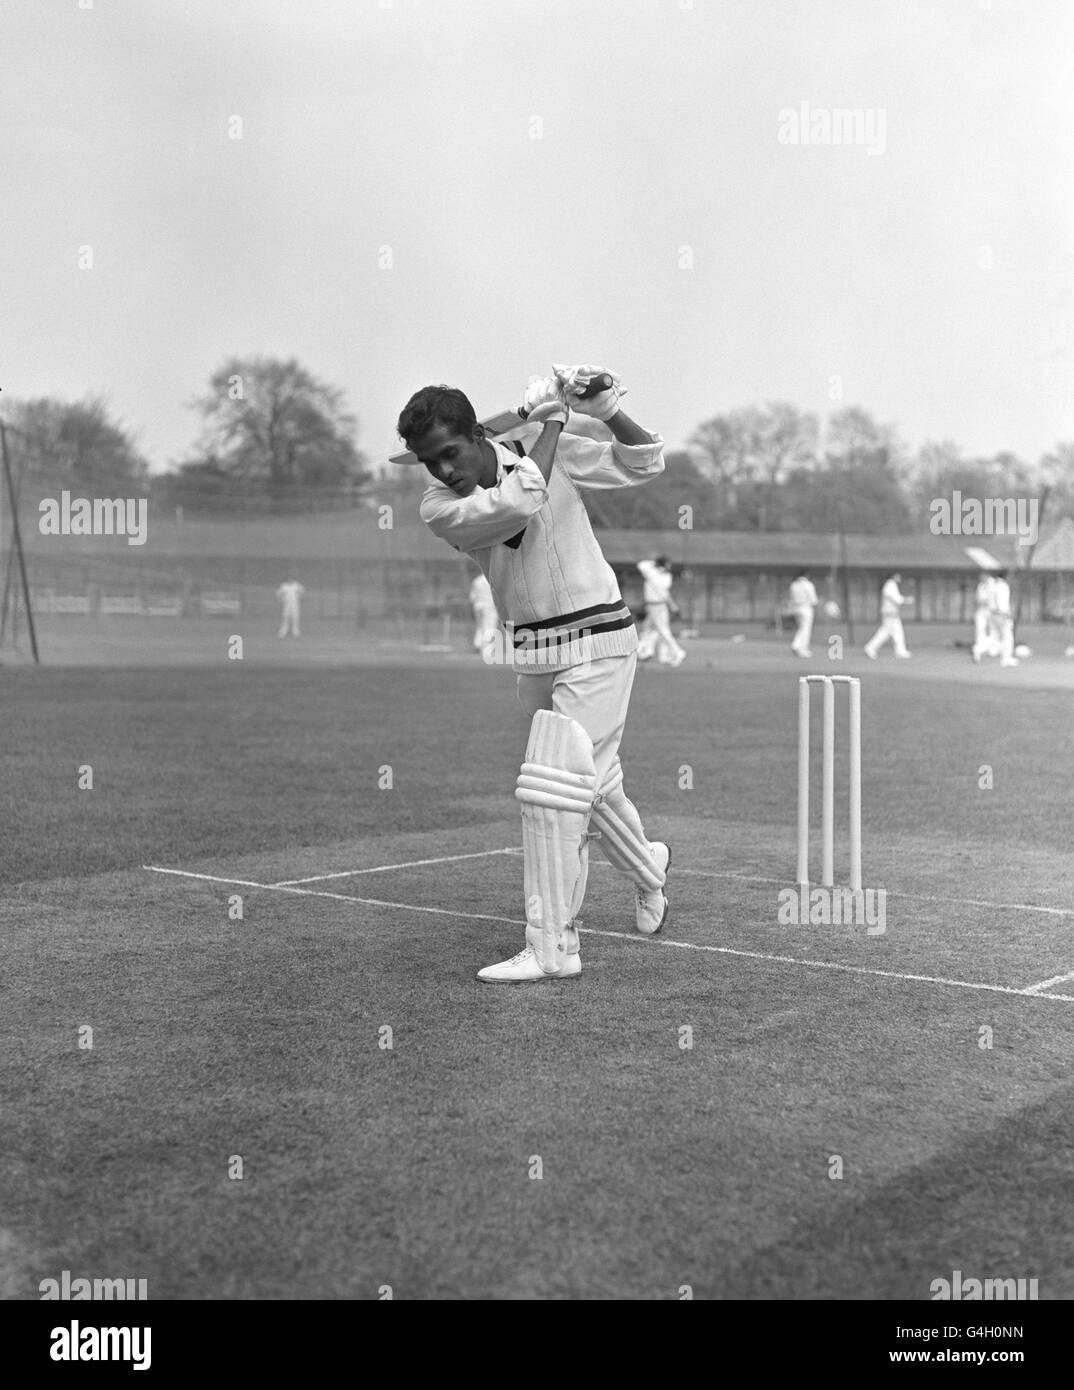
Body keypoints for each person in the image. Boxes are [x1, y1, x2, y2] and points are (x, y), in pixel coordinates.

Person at [394, 365, 671, 983]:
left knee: (552, 789)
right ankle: (650, 868)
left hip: (599, 639)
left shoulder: (547, 447)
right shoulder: (441, 507)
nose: (442, 471)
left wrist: (606, 410)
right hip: (536, 654)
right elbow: (521, 501)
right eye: (429, 461)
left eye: (449, 453)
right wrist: (548, 421)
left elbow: (645, 463)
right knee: (592, 786)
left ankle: (553, 947)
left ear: (475, 436)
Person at [636, 555, 685, 665]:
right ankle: (649, 651)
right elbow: (641, 565)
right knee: (649, 628)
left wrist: (653, 565)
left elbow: (642, 565)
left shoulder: (657, 574)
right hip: (654, 606)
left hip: (657, 606)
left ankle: (677, 651)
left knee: (662, 630)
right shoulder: (656, 573)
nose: (669, 567)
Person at [863, 572, 912, 659]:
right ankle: (870, 648)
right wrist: (907, 600)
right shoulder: (890, 585)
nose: (899, 577)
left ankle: (900, 651)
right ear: (894, 576)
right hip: (889, 614)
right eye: (898, 576)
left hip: (893, 614)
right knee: (884, 633)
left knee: (898, 632)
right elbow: (897, 599)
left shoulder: (891, 585)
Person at [991, 568, 1018, 667]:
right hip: (1002, 614)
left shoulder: (993, 585)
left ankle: (984, 650)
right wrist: (1006, 613)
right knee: (1007, 636)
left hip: (994, 614)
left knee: (997, 636)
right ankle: (1006, 659)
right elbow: (1002, 602)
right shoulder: (1003, 586)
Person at [787, 570, 818, 658]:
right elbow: (813, 599)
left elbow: (791, 597)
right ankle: (801, 649)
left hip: (796, 608)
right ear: (806, 575)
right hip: (806, 608)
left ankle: (796, 645)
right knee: (806, 629)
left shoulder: (793, 585)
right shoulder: (808, 585)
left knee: (801, 628)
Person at [469, 571, 500, 658]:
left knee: (480, 626)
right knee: (490, 627)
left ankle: (478, 644)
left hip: (478, 606)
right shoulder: (493, 579)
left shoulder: (477, 580)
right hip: (490, 606)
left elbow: (472, 597)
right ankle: (487, 650)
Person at [971, 572, 997, 662]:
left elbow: (995, 598)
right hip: (981, 610)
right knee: (980, 628)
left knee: (993, 630)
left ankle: (992, 648)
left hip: (991, 611)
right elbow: (977, 598)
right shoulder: (980, 586)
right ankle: (979, 646)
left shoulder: (994, 584)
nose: (982, 578)